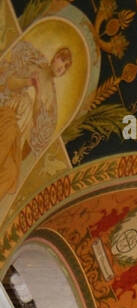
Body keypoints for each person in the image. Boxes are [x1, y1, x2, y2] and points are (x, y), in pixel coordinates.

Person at [0, 44, 72, 200]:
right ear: (54, 58)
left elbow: (37, 124)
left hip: (18, 137)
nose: (62, 68)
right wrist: (28, 83)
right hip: (6, 115)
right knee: (9, 133)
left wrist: (39, 96)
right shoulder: (35, 67)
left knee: (11, 173)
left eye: (65, 67)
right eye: (61, 61)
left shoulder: (51, 100)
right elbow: (8, 82)